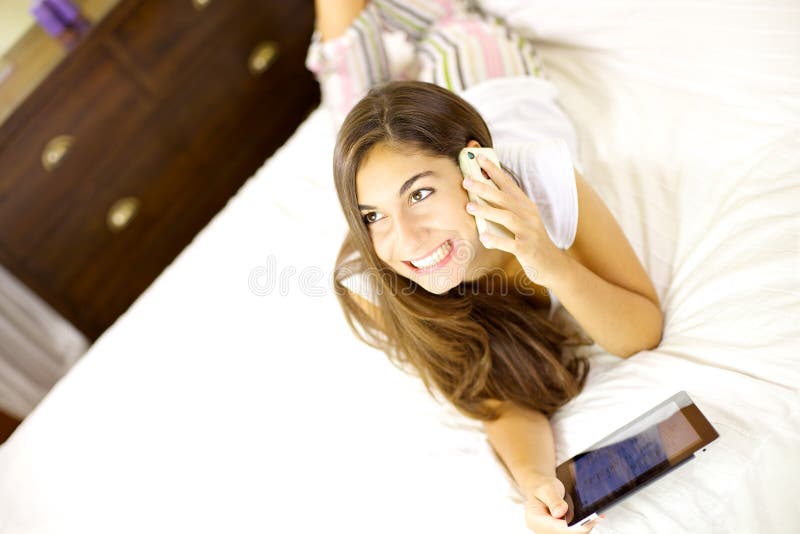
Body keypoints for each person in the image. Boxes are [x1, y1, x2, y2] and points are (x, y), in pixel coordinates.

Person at [306, 1, 664, 532]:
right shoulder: (374, 284)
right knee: (357, 102)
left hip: (484, 71)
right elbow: (494, 396)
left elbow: (641, 332)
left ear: (477, 166)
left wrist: (549, 262)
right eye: (374, 215)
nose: (406, 239)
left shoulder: (543, 181)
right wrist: (537, 482)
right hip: (408, 130)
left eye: (421, 193)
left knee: (456, 23)